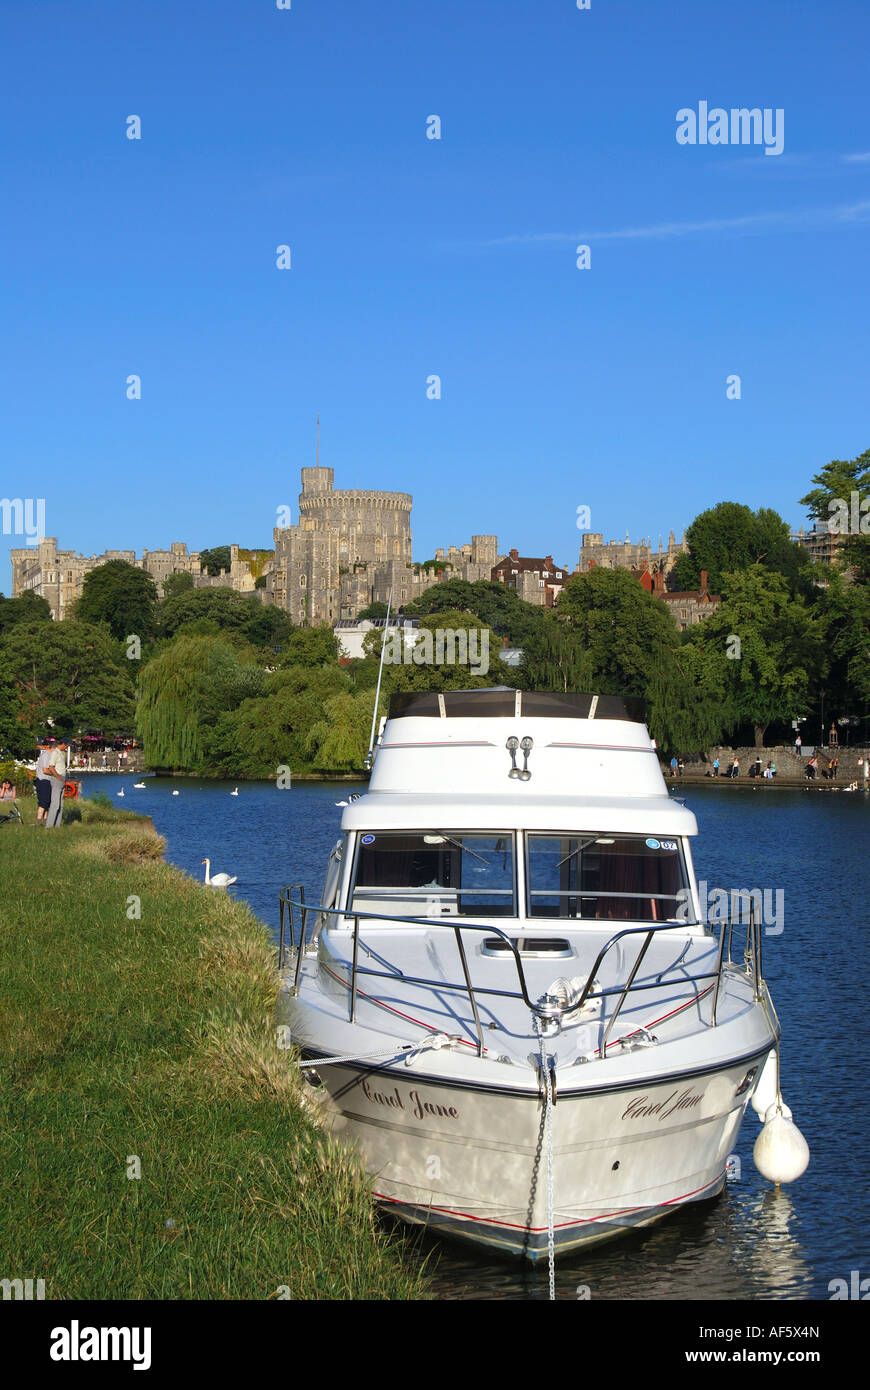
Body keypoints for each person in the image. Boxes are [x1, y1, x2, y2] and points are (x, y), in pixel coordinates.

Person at [45, 738, 69, 828]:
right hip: (57, 779)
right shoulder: (55, 753)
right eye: (66, 745)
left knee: (60, 804)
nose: (67, 747)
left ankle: (57, 825)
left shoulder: (61, 753)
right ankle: (49, 825)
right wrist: (58, 777)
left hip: (62, 778)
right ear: (63, 744)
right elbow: (51, 767)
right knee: (55, 804)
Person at [35, 739, 53, 825]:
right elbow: (45, 770)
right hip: (43, 780)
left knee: (47, 802)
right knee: (43, 802)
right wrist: (56, 774)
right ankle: (38, 822)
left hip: (47, 780)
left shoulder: (49, 755)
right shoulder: (46, 755)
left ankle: (46, 821)